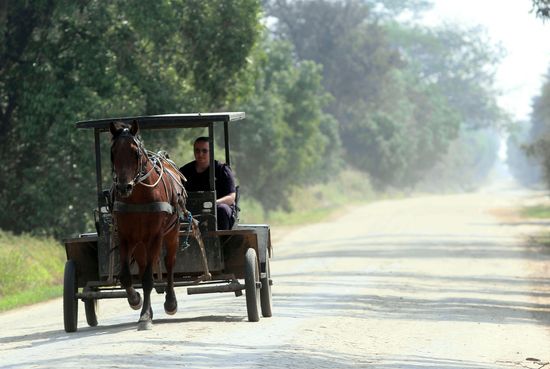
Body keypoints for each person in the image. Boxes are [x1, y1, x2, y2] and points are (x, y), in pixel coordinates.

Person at [179, 137, 236, 230]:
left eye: (204, 151)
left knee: (222, 210)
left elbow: (231, 197)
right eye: (197, 150)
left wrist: (214, 203)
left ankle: (222, 243)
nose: (200, 154)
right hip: (191, 211)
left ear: (211, 152)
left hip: (217, 210)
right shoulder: (185, 171)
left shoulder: (222, 170)